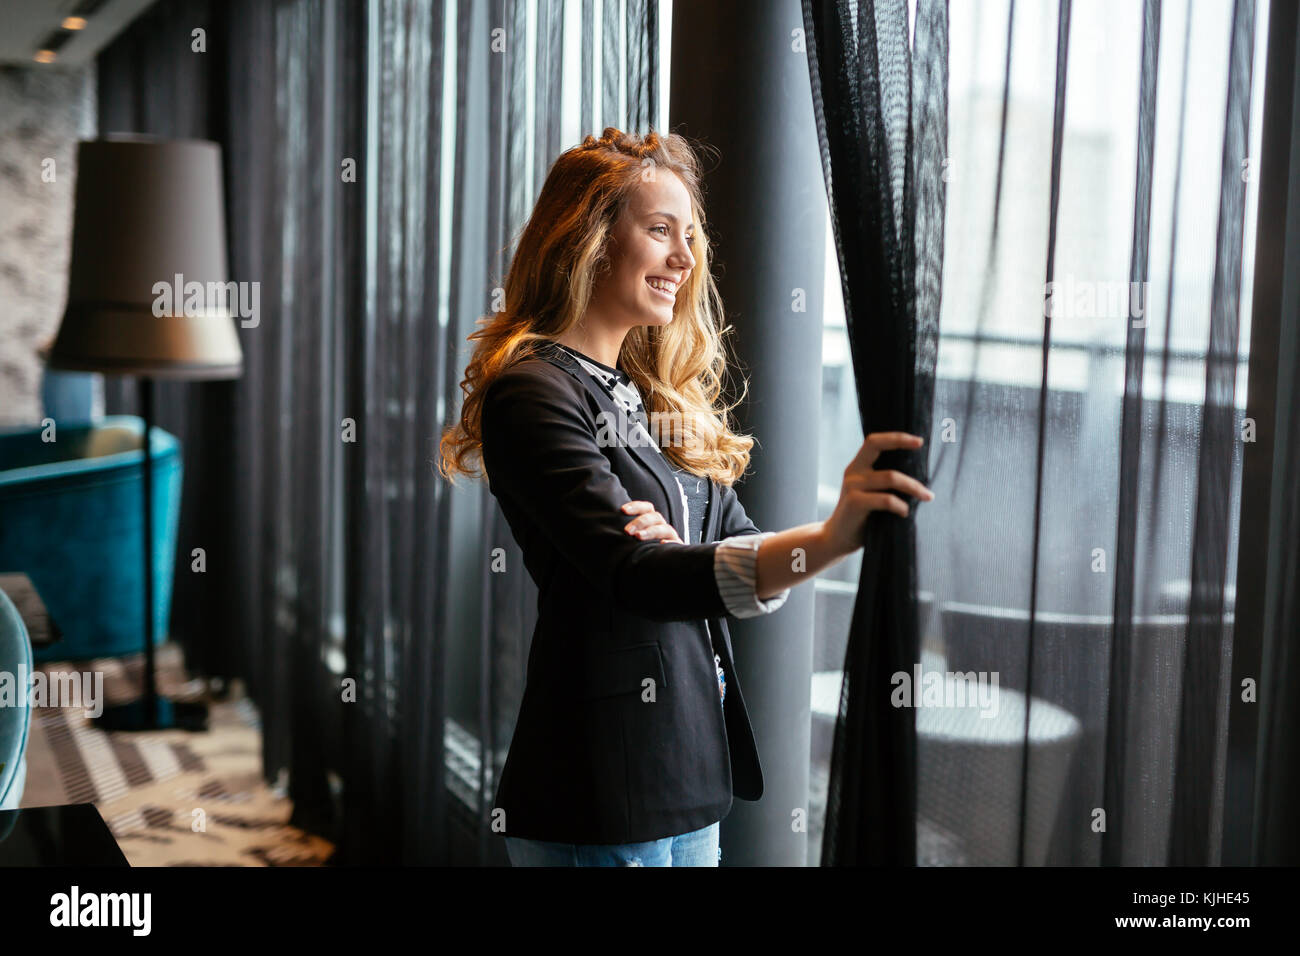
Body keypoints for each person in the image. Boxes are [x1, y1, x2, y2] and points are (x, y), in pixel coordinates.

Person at [438, 127, 933, 867]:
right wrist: (830, 537)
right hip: (599, 789)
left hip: (692, 773)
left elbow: (732, 547)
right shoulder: (534, 391)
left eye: (691, 236)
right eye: (661, 231)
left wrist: (689, 557)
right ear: (590, 240)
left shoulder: (646, 399)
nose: (685, 258)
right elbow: (639, 575)